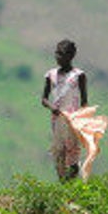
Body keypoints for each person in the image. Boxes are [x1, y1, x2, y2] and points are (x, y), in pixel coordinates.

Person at [41, 39, 87, 181]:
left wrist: (82, 120)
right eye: (57, 53)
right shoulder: (51, 75)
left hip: (73, 120)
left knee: (72, 153)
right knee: (58, 153)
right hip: (57, 120)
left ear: (71, 56)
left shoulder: (79, 76)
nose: (58, 57)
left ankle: (71, 185)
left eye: (62, 54)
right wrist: (51, 107)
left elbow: (84, 101)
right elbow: (43, 99)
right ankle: (63, 184)